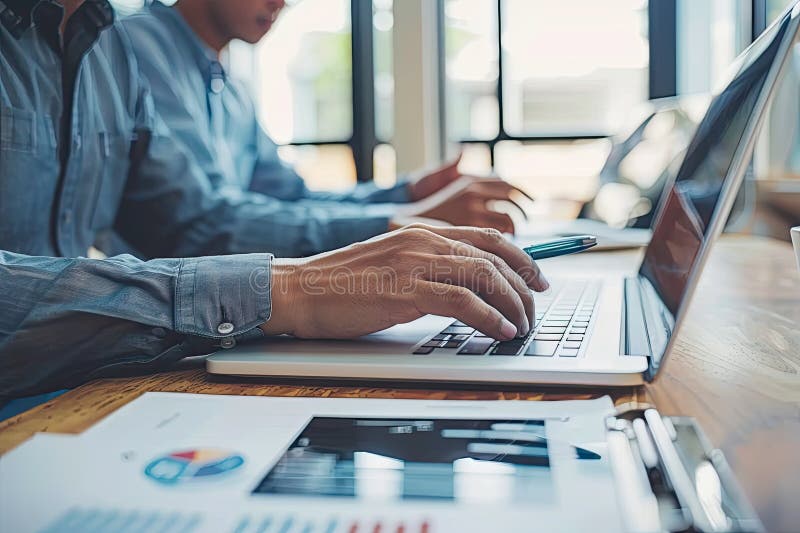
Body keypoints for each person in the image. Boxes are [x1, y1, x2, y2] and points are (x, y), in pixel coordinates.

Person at [0, 0, 547, 404]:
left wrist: (404, 202)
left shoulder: (110, 49)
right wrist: (294, 288)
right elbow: (207, 226)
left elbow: (217, 211)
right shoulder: (142, 45)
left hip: (82, 381)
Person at [119, 0, 523, 249]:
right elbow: (201, 224)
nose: (281, 3)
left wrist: (407, 194)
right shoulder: (136, 47)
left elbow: (292, 198)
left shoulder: (231, 89)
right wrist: (399, 222)